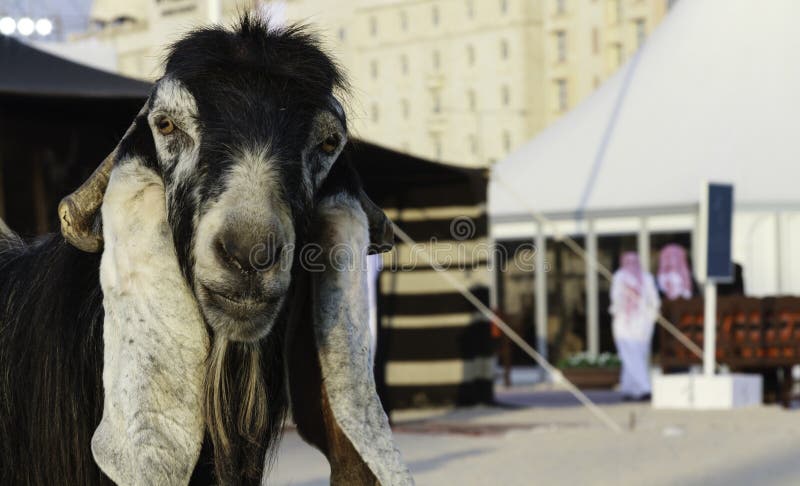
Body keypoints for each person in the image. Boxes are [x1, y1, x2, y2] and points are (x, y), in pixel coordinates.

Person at [610, 252, 660, 400]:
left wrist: (651, 317)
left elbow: (654, 301)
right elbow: (616, 299)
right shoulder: (619, 277)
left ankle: (629, 390)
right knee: (629, 356)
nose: (631, 264)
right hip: (623, 324)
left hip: (642, 324)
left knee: (639, 356)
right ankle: (645, 388)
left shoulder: (647, 278)